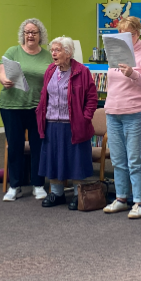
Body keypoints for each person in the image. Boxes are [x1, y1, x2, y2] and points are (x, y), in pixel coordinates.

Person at [35, 37, 98, 209]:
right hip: (51, 122)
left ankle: (79, 195)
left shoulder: (82, 71)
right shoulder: (50, 70)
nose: (53, 53)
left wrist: (85, 117)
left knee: (75, 159)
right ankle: (56, 193)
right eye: (52, 50)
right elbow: (44, 94)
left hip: (73, 124)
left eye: (58, 50)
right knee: (53, 159)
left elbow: (92, 97)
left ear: (68, 53)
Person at [103, 16, 141, 219]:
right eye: (121, 34)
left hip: (136, 112)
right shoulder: (115, 54)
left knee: (135, 159)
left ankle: (139, 202)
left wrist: (133, 74)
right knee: (117, 159)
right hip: (113, 111)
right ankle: (121, 198)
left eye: (129, 34)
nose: (125, 38)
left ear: (138, 34)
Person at [0, 18, 52, 202]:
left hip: (37, 107)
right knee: (15, 146)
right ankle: (15, 186)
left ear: (40, 35)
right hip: (12, 106)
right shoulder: (12, 51)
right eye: (27, 32)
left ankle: (38, 184)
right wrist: (4, 80)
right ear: (23, 34)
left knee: (38, 146)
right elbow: (2, 72)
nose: (30, 35)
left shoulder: (47, 56)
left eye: (34, 33)